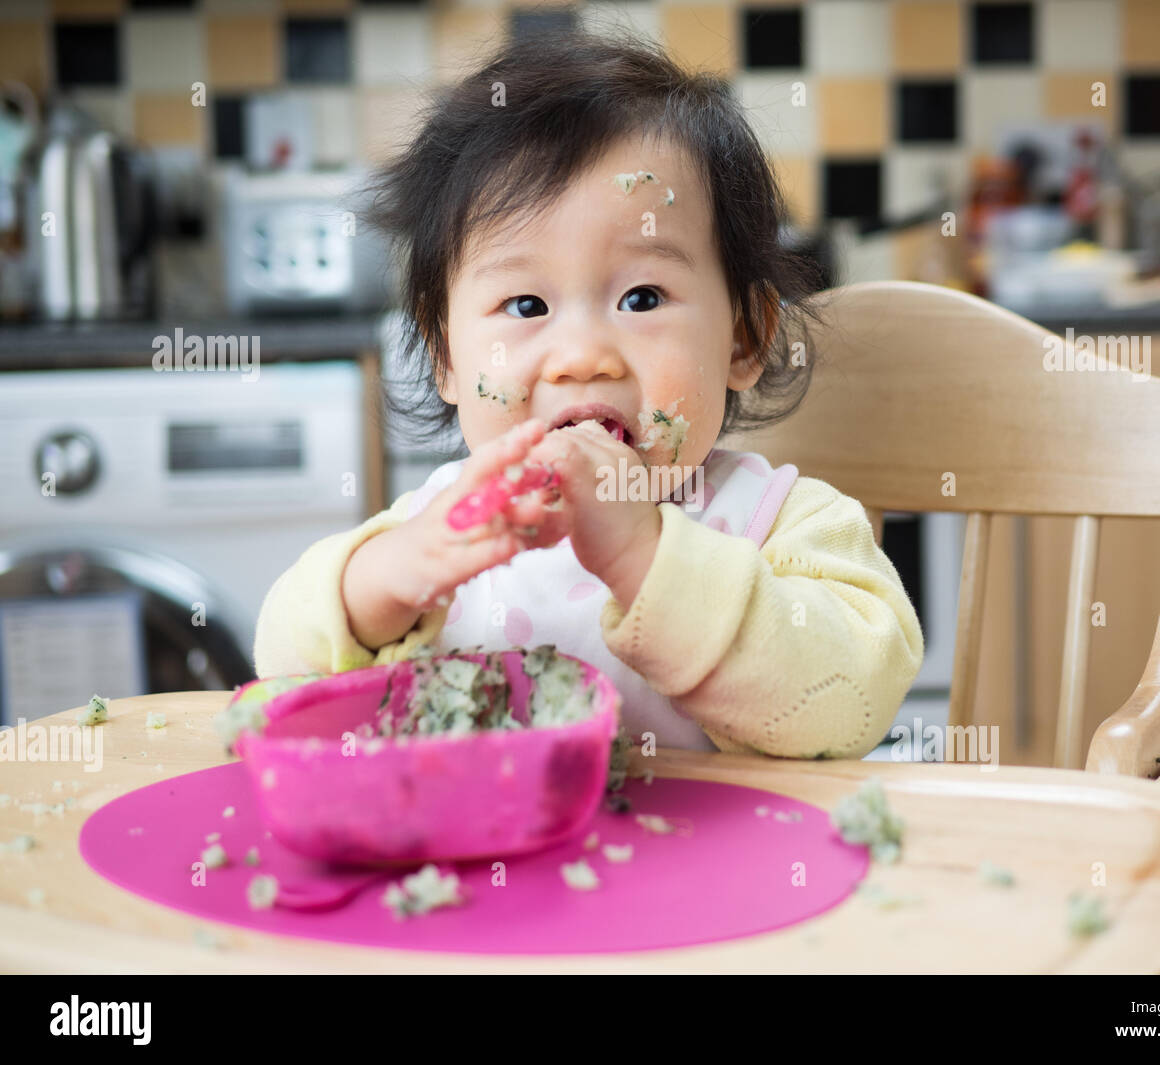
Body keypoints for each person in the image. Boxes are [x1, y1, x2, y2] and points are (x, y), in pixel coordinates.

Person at [254, 29, 923, 758]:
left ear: (744, 338)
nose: (580, 358)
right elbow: (282, 671)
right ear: (445, 353)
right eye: (527, 306)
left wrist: (644, 556)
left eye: (641, 298)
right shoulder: (437, 532)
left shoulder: (782, 526)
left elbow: (847, 706)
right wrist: (379, 587)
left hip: (715, 871)